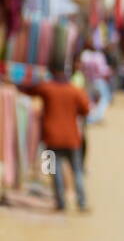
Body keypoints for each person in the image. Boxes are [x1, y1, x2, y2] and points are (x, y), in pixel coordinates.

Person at [11, 64, 91, 212]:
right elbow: (86, 109)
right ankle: (82, 203)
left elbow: (29, 91)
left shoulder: (47, 88)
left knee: (54, 171)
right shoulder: (75, 91)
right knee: (77, 171)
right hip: (72, 139)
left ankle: (61, 203)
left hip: (51, 138)